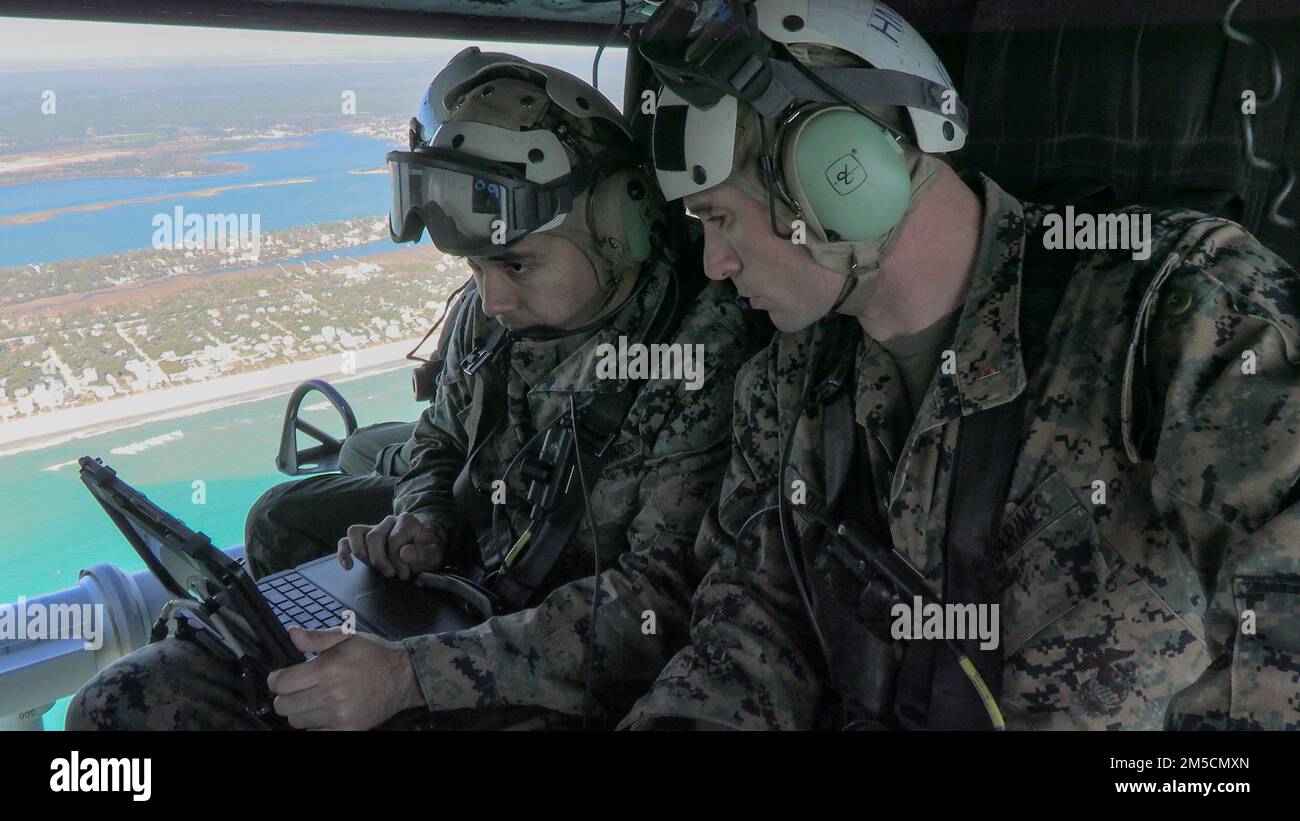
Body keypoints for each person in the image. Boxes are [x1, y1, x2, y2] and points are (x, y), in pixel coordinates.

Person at [620, 0, 1300, 730]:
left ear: (836, 172)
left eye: (719, 217)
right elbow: (752, 633)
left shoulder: (1178, 307)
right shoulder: (790, 378)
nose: (715, 265)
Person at [66, 47, 765, 730]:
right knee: (274, 525)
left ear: (620, 228)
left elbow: (652, 608)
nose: (490, 297)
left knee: (128, 704)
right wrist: (424, 517)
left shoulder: (698, 353)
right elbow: (440, 435)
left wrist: (410, 674)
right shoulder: (488, 311)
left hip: (565, 645)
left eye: (517, 265)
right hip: (470, 576)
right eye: (476, 266)